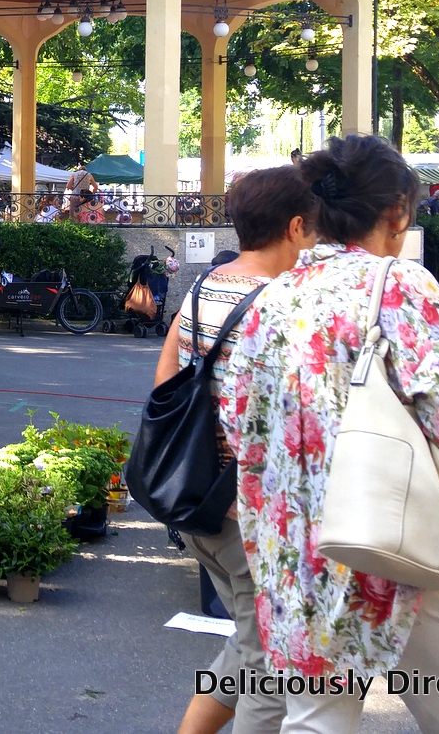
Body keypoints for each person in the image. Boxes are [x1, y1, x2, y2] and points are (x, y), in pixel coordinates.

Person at [221, 135, 439, 733]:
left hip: (294, 548)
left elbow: (238, 425)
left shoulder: (270, 298)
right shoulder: (401, 285)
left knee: (316, 720)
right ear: (396, 212)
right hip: (396, 543)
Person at [151, 165, 318, 734]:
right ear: (296, 227)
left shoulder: (206, 284)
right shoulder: (285, 304)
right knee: (269, 670)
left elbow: (164, 382)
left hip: (194, 501)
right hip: (249, 517)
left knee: (249, 650)